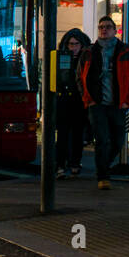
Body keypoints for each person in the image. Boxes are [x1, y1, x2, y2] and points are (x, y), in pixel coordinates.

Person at [76, 15, 129, 189]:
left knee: (118, 140)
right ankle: (103, 176)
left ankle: (103, 165)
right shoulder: (89, 52)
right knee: (102, 139)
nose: (104, 29)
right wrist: (87, 99)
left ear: (114, 30)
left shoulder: (125, 51)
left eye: (108, 27)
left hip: (118, 103)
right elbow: (79, 76)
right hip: (97, 103)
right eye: (101, 27)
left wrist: (127, 100)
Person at [55, 28, 90, 177]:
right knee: (63, 135)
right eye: (71, 44)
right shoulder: (60, 58)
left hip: (79, 101)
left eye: (76, 44)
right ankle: (62, 164)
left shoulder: (87, 59)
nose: (73, 47)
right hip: (64, 101)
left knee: (77, 134)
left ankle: (73, 162)